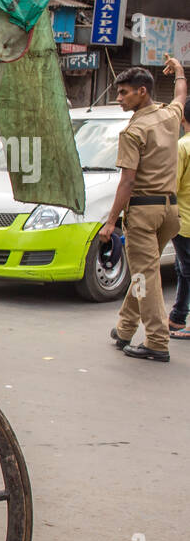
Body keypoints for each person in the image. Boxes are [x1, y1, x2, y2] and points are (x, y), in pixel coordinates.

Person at [102, 56, 186, 362]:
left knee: (146, 276)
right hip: (169, 212)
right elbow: (180, 96)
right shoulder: (169, 116)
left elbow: (127, 181)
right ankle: (125, 327)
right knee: (143, 272)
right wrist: (178, 71)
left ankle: (156, 341)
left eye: (124, 93)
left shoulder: (133, 132)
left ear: (142, 91)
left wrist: (110, 222)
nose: (119, 98)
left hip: (143, 212)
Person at [168, 114, 190, 341]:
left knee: (186, 270)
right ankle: (178, 316)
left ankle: (180, 317)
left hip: (185, 220)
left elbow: (173, 186)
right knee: (182, 270)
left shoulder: (182, 146)